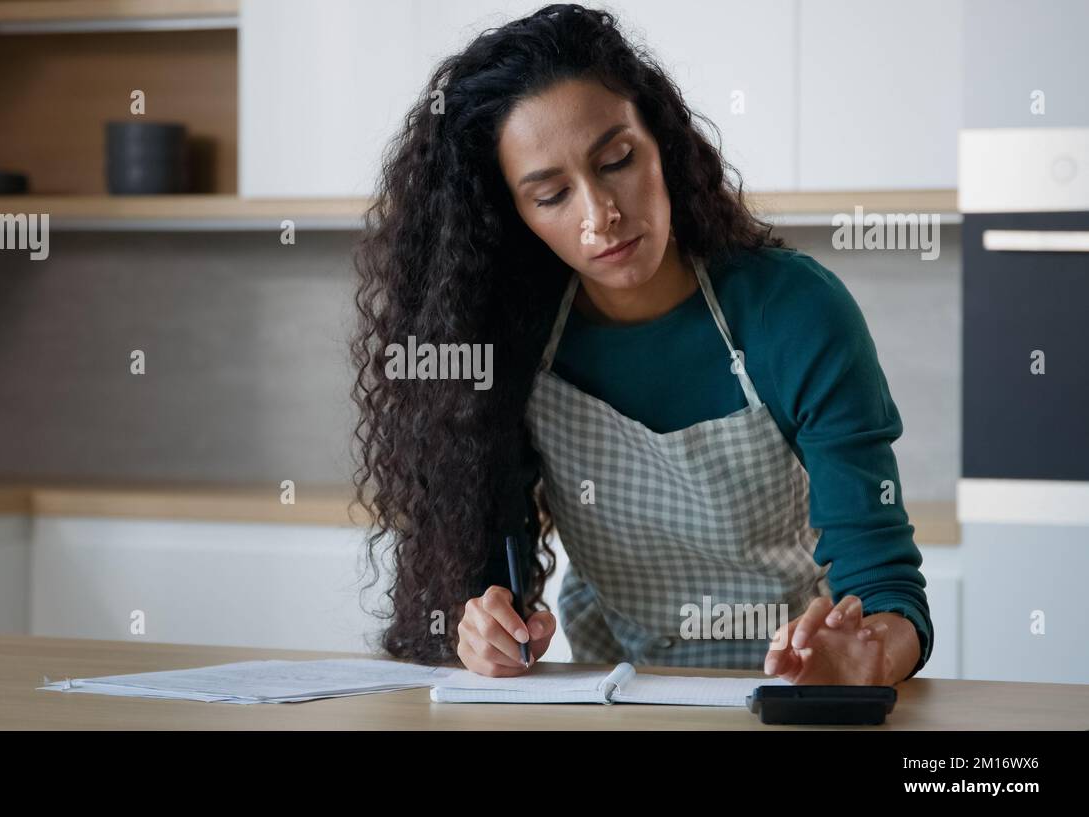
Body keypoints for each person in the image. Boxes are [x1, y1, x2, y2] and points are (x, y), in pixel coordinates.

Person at [350, 4, 931, 685]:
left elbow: (888, 590)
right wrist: (485, 631)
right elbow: (489, 586)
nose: (602, 215)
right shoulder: (512, 340)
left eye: (617, 160)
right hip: (614, 694)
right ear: (511, 216)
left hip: (792, 692)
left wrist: (868, 653)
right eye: (552, 195)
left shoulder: (795, 312)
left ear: (663, 142)